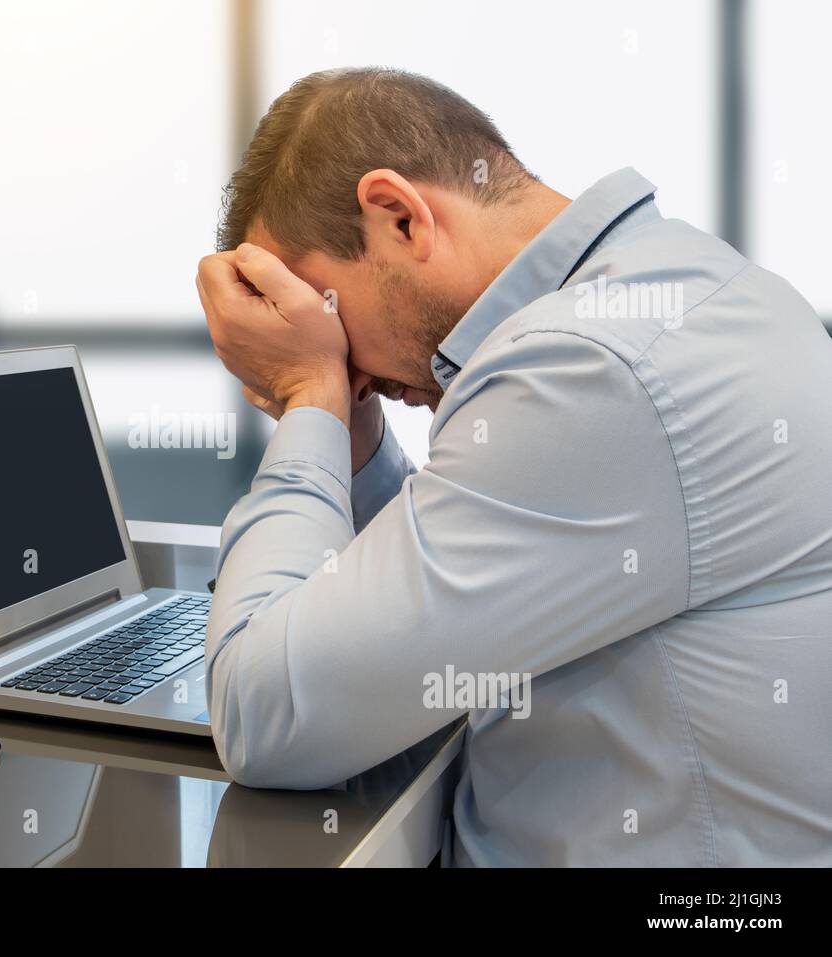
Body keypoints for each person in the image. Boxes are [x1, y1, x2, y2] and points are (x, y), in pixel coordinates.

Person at [195, 67, 832, 865]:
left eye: (317, 309)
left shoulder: (593, 370)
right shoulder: (665, 288)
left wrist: (308, 393)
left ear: (398, 216)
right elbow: (442, 569)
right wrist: (351, 431)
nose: (345, 362)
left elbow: (264, 714)